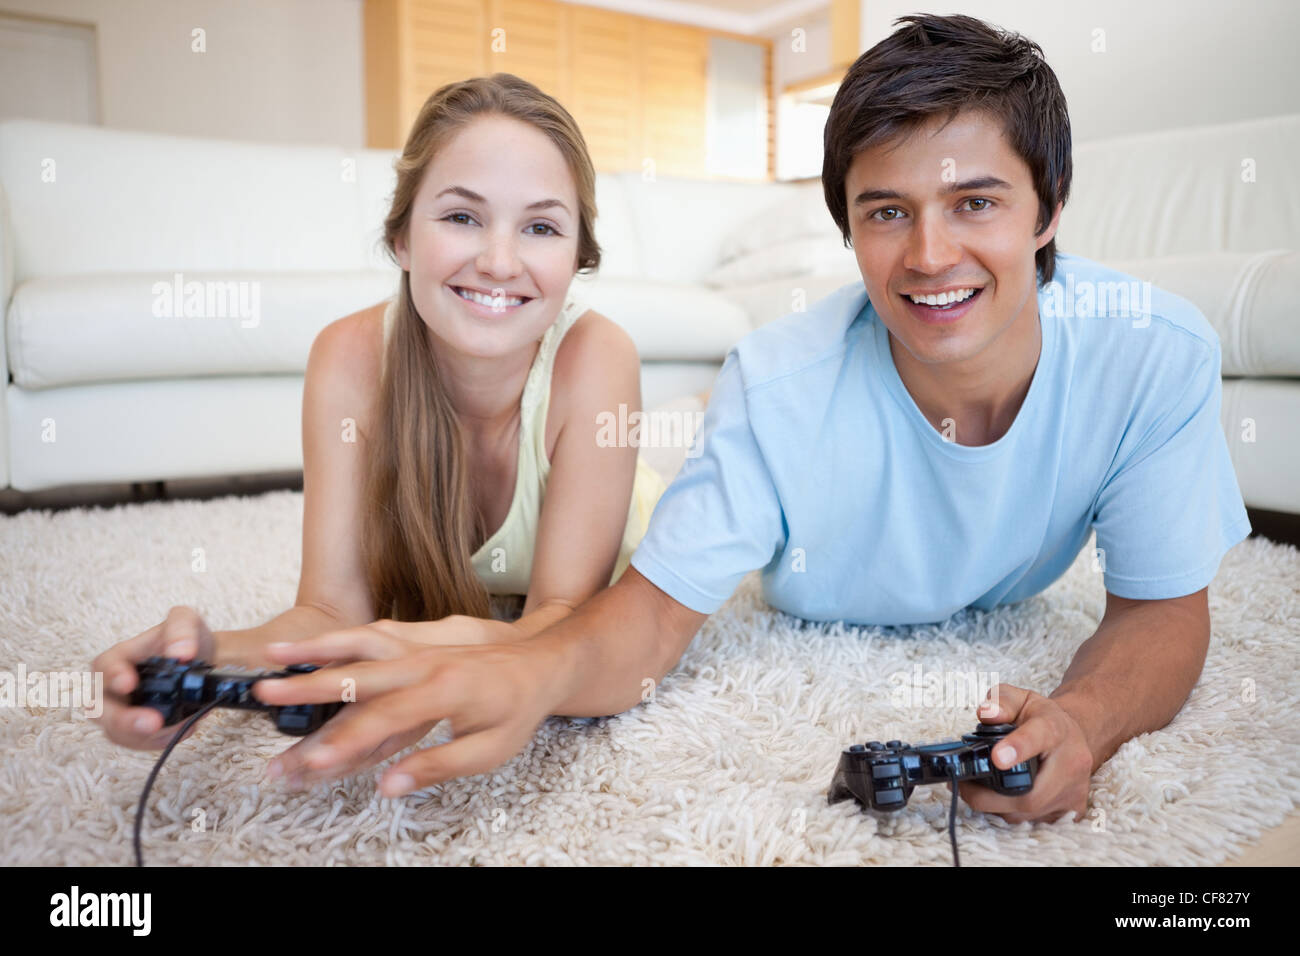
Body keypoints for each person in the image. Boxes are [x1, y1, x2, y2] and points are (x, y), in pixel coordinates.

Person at [189, 15, 1253, 826]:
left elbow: (1162, 608)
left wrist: (1084, 719)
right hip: (777, 512)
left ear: (1049, 206)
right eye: (887, 211)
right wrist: (531, 669)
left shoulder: (1151, 353)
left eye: (975, 201)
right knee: (713, 454)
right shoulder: (778, 377)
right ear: (845, 226)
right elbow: (641, 621)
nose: (929, 254)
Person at [90, 73, 669, 752]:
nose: (499, 261)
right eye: (461, 216)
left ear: (577, 261)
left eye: (540, 227)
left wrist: (424, 642)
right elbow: (332, 610)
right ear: (400, 239)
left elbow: (559, 620)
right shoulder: (348, 357)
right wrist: (212, 660)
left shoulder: (599, 355)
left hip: (630, 510)